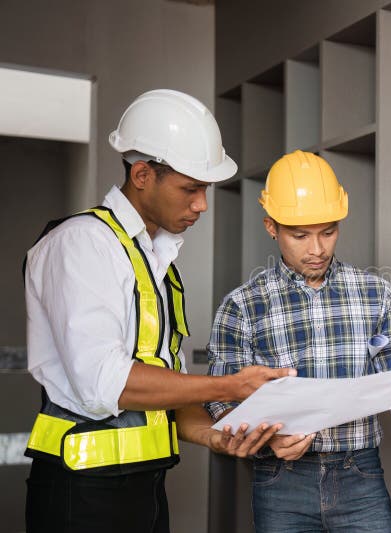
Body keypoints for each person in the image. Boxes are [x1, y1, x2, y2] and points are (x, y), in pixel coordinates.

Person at [23, 89, 292, 533]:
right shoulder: (82, 245)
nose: (202, 204)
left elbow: (167, 385)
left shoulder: (154, 260)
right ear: (143, 174)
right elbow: (102, 383)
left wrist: (218, 436)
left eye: (204, 189)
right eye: (191, 188)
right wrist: (231, 385)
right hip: (81, 495)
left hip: (144, 492)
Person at [206, 150, 391, 533]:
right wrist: (268, 441)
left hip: (360, 475)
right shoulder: (243, 306)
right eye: (300, 235)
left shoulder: (375, 293)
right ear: (271, 226)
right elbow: (220, 403)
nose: (317, 249)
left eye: (328, 231)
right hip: (279, 480)